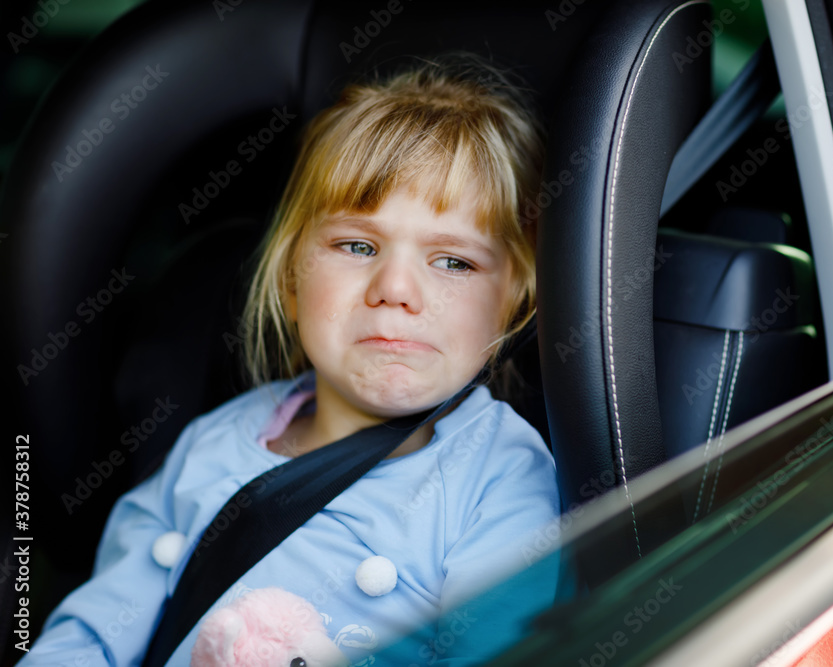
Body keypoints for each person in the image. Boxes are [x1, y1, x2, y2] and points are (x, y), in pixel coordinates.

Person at [19, 53, 559, 666]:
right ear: (292, 283)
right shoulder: (212, 444)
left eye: (453, 261)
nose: (398, 288)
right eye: (357, 245)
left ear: (513, 302)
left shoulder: (499, 478)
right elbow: (89, 637)